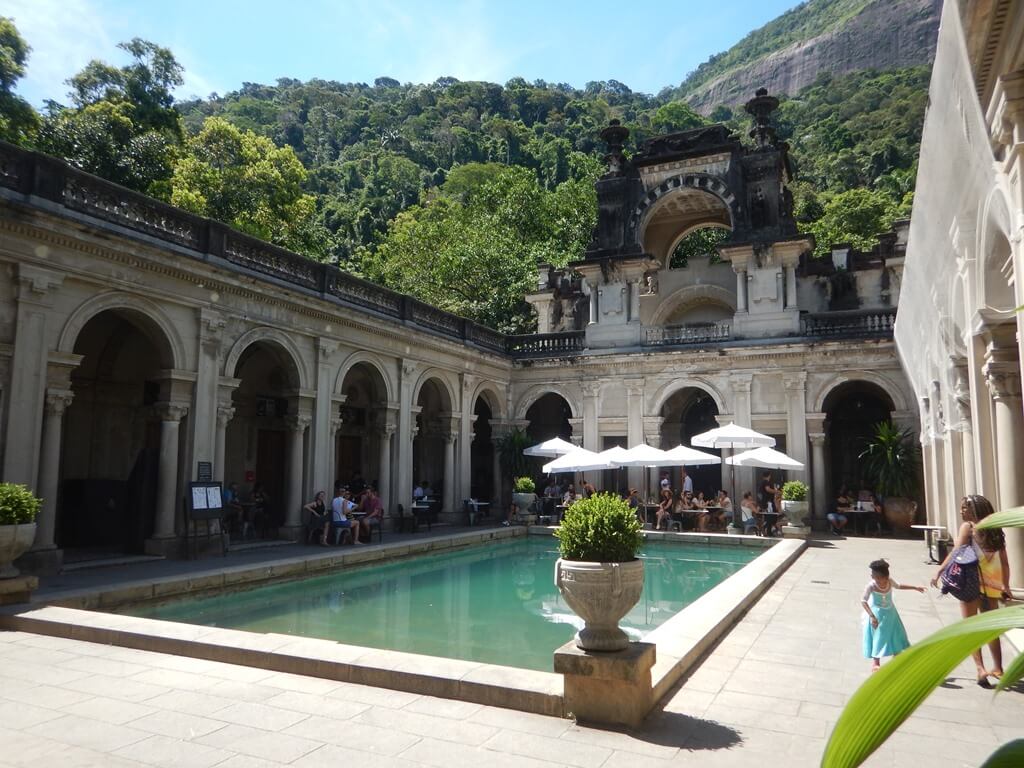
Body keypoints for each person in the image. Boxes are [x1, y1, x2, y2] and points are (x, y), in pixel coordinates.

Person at [931, 494, 1002, 686]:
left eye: (964, 508)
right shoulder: (995, 527)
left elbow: (957, 551)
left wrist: (940, 569)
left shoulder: (968, 527)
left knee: (971, 627)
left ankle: (980, 669)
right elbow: (1004, 559)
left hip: (970, 582)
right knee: (991, 628)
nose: (961, 511)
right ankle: (999, 667)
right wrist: (1005, 584)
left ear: (974, 510)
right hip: (992, 586)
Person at [862, 559, 925, 672]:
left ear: (885, 577)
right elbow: (863, 601)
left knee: (895, 633)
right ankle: (876, 663)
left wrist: (915, 587)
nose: (873, 578)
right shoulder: (871, 586)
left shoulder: (890, 581)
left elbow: (899, 586)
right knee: (879, 636)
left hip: (890, 612)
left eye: (876, 576)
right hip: (878, 615)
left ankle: (896, 656)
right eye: (873, 575)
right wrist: (871, 616)